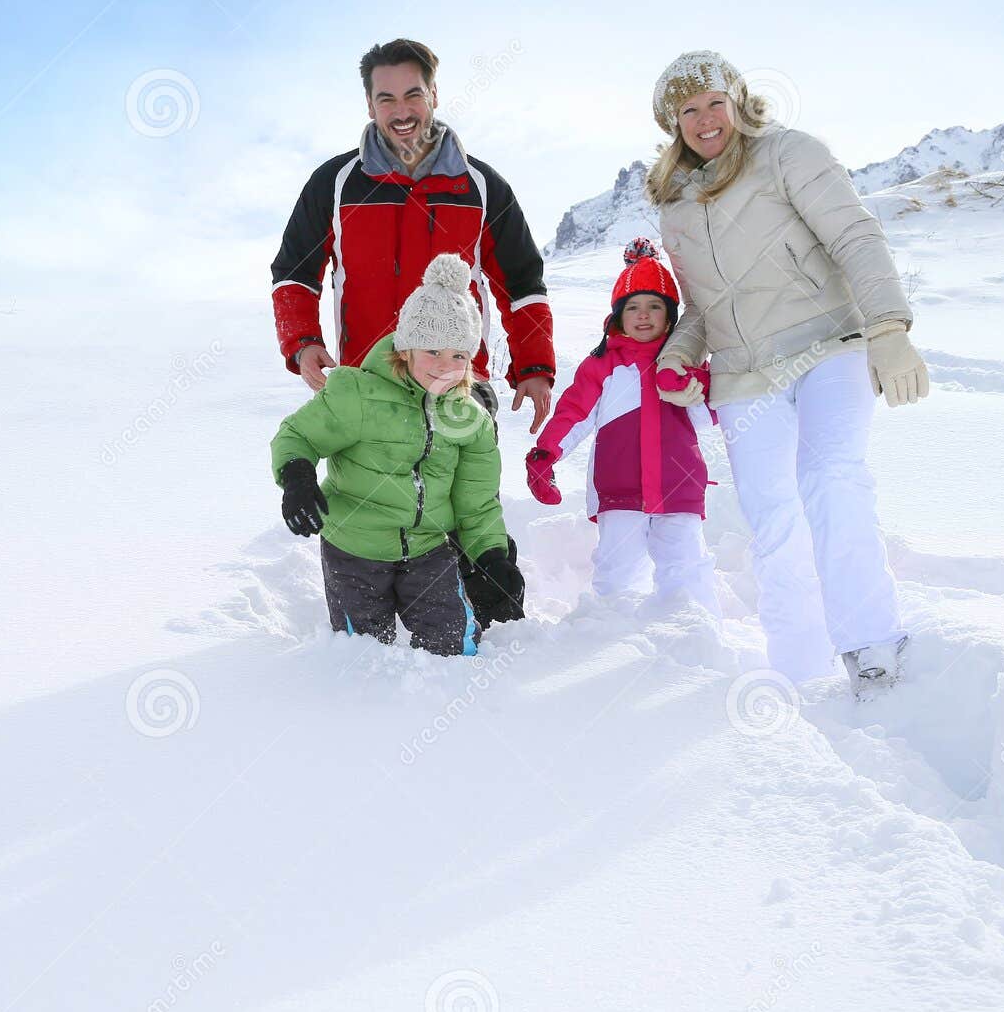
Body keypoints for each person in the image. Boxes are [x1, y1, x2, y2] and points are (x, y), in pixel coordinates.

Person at [647, 51, 928, 696]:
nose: (704, 119)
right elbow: (702, 306)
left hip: (828, 342)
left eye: (714, 101)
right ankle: (799, 671)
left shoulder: (788, 153)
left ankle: (871, 642)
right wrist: (678, 353)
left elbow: (854, 236)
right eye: (686, 110)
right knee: (772, 517)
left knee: (831, 475)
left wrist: (888, 329)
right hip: (745, 374)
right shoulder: (676, 204)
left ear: (738, 100)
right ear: (673, 124)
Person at [270, 38, 556, 435]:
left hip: (459, 384)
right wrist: (302, 342)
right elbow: (293, 273)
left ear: (434, 95)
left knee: (466, 495)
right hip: (366, 384)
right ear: (369, 105)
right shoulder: (334, 184)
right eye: (386, 99)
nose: (401, 112)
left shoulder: (482, 186)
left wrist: (534, 364)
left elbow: (523, 285)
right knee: (366, 496)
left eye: (413, 95)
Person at [271, 254, 525, 655]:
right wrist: (297, 476)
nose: (446, 367)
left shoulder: (469, 420)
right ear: (405, 348)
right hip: (354, 549)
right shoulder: (355, 393)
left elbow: (475, 502)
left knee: (457, 649)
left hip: (428, 550)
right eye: (433, 352)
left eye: (459, 355)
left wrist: (491, 558)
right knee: (361, 655)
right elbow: (297, 435)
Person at [525, 239, 720, 615]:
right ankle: (609, 640)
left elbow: (709, 417)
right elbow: (573, 413)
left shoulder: (683, 365)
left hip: (678, 487)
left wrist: (697, 385)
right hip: (619, 491)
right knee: (617, 570)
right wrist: (546, 454)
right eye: (633, 307)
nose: (643, 315)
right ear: (618, 314)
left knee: (686, 567)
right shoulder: (604, 365)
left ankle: (696, 639)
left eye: (654, 306)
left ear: (670, 316)